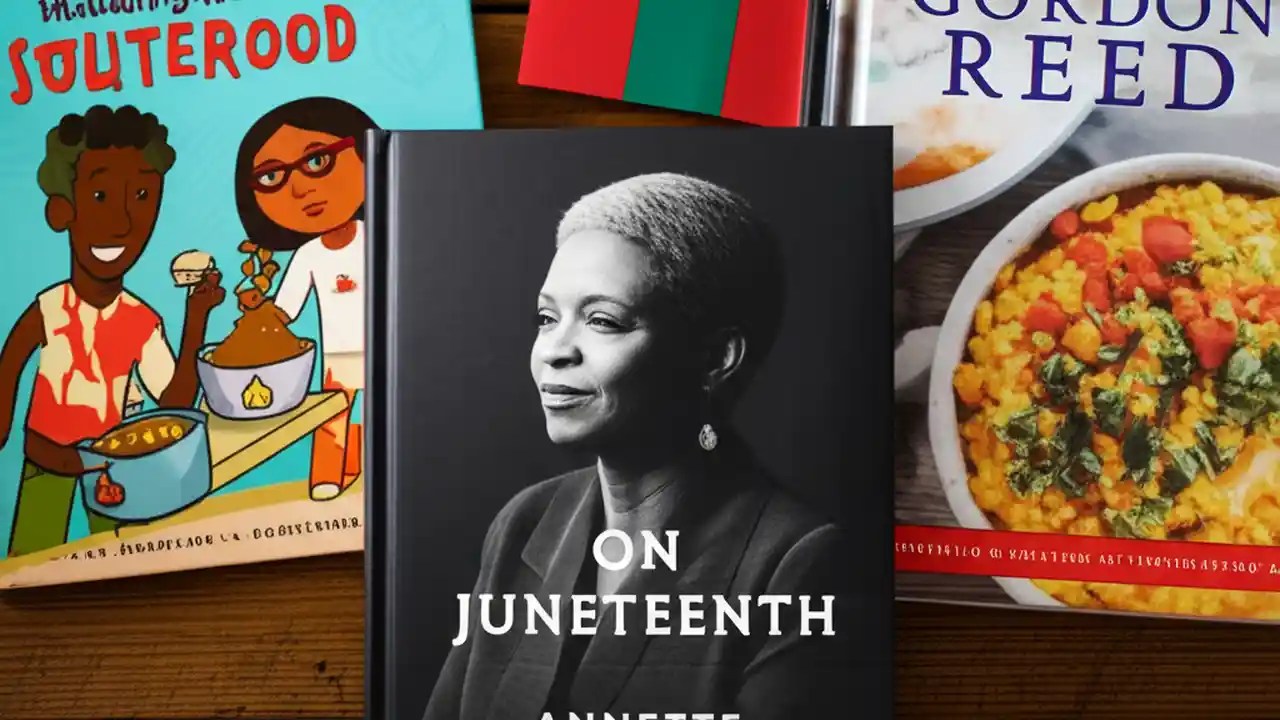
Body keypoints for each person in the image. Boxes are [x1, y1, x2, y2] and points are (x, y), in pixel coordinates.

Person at [422, 173, 852, 719]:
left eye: (603, 321)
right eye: (547, 317)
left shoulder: (797, 561)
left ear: (717, 358)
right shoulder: (526, 522)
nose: (555, 350)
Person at [0, 105, 225, 557]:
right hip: (46, 463)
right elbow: (9, 370)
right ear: (63, 210)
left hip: (113, 468)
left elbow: (176, 404)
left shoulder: (142, 322)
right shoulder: (49, 308)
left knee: (120, 560)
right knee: (30, 560)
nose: (123, 223)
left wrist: (196, 317)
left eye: (142, 197)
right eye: (101, 197)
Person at [233, 97, 378, 502]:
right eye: (272, 177)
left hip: (388, 348)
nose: (300, 188)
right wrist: (257, 320)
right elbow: (286, 308)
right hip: (338, 355)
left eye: (317, 162)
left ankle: (370, 470)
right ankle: (331, 475)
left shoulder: (378, 234)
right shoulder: (309, 255)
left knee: (385, 415)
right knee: (333, 415)